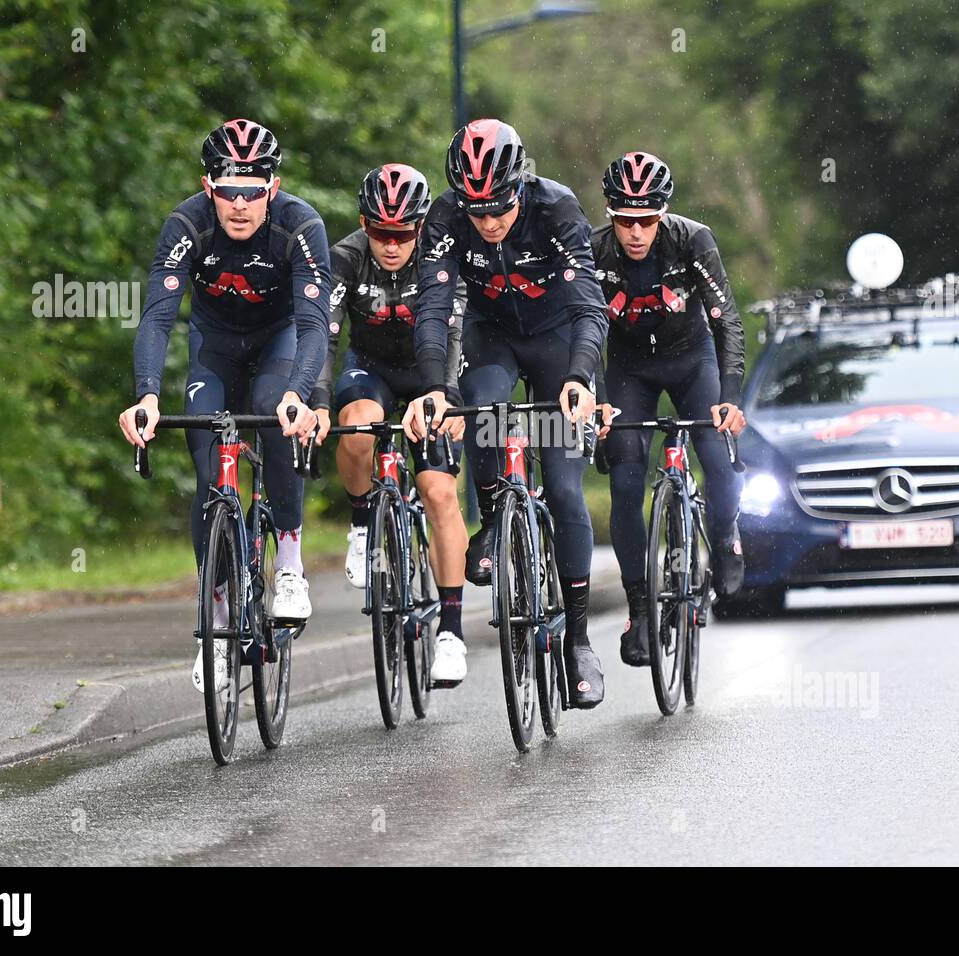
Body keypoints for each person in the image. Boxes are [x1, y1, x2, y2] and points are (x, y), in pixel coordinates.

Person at [117, 119, 331, 692]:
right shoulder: (187, 224)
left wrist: (301, 392)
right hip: (214, 349)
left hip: (279, 346)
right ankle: (213, 629)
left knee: (275, 413)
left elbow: (315, 324)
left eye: (252, 192)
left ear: (273, 188)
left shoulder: (299, 224)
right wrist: (145, 395)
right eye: (227, 191)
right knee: (211, 473)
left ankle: (288, 564)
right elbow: (158, 317)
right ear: (208, 187)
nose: (239, 206)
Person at [403, 119, 610, 708]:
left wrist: (579, 377)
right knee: (484, 406)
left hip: (557, 341)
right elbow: (433, 306)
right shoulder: (445, 216)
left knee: (566, 492)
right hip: (492, 333)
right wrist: (432, 389)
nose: (489, 222)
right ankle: (494, 513)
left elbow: (591, 306)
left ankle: (577, 640)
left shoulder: (557, 209)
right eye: (476, 210)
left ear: (522, 186)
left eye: (499, 207)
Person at [310, 164, 471, 686]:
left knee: (438, 491)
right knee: (356, 425)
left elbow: (453, 331)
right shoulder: (345, 258)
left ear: (420, 228)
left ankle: (450, 631)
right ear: (364, 223)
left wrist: (443, 396)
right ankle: (362, 523)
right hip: (372, 368)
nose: (393, 244)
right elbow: (325, 335)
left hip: (433, 370)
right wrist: (315, 397)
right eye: (381, 232)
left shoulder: (440, 257)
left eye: (403, 233)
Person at [591, 151, 747, 666]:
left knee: (717, 455)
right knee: (625, 480)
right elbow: (584, 333)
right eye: (625, 221)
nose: (636, 232)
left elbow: (727, 322)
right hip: (629, 368)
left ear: (663, 214)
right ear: (611, 214)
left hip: (691, 359)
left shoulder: (693, 239)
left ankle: (724, 537)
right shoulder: (593, 252)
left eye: (647, 220)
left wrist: (730, 398)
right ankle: (640, 610)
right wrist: (598, 400)